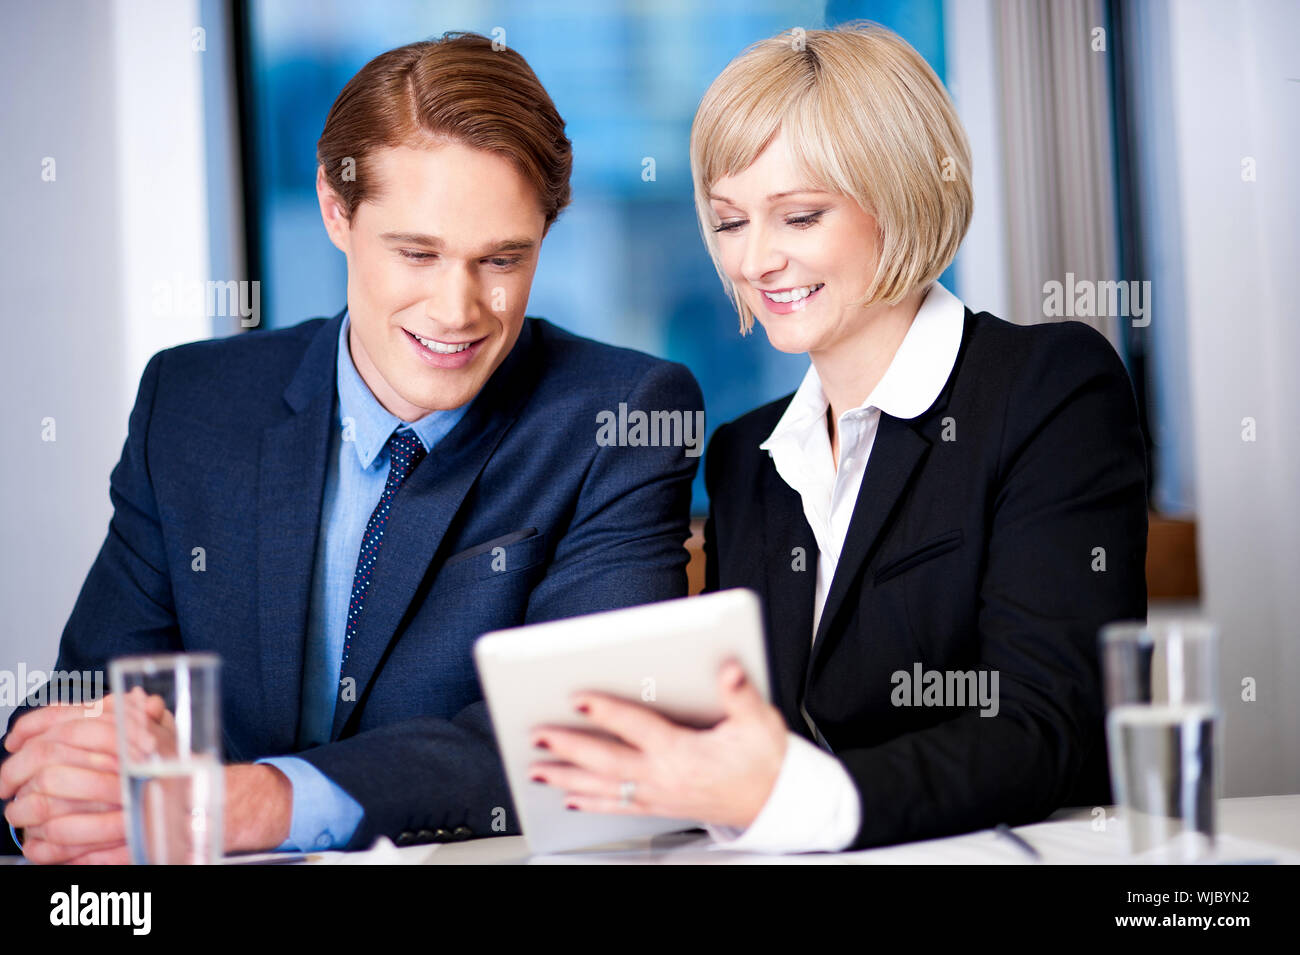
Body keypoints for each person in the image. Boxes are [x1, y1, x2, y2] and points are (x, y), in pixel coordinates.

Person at [0, 32, 703, 863]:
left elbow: (584, 740)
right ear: (337, 213)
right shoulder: (191, 406)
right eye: (417, 252)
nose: (457, 309)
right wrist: (56, 781)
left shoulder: (618, 418)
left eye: (502, 259)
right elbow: (91, 697)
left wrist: (267, 800)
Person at [529, 23, 1147, 852]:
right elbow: (760, 731)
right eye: (731, 221)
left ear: (898, 196)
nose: (756, 259)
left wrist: (791, 792)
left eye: (799, 215)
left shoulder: (1047, 388)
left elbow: (1046, 726)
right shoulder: (750, 458)